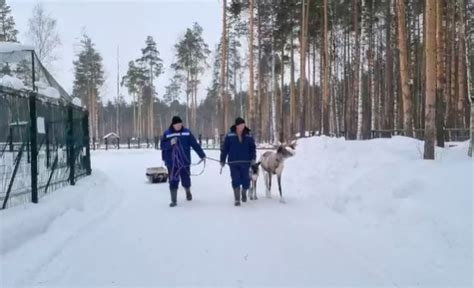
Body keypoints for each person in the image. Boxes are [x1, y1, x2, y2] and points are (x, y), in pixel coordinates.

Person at [161, 116, 206, 207]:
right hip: (172, 162)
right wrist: (170, 143)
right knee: (173, 180)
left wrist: (202, 155)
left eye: (180, 124)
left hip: (184, 161)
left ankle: (187, 191)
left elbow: (194, 144)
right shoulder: (167, 133)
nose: (178, 126)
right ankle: (174, 200)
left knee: (186, 178)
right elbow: (162, 146)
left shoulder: (187, 132)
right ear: (173, 124)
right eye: (177, 124)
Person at [220, 117, 257, 206]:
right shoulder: (229, 135)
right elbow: (225, 149)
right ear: (236, 126)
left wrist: (253, 159)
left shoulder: (249, 135)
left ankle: (244, 192)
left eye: (243, 125)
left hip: (246, 162)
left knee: (246, 181)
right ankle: (237, 199)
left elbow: (253, 148)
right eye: (240, 125)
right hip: (233, 162)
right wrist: (222, 159)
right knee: (235, 179)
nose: (242, 127)